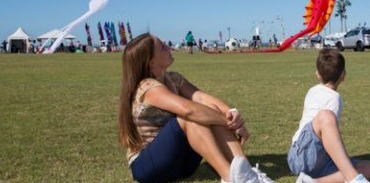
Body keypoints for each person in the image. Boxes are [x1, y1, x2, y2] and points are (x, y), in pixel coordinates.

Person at [117, 33, 274, 183]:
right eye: (163, 47)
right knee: (192, 117)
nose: (168, 47)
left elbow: (201, 97)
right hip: (148, 167)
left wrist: (232, 114)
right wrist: (228, 123)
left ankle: (247, 172)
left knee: (208, 109)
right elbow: (189, 110)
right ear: (151, 62)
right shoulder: (147, 87)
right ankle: (229, 177)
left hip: (181, 164)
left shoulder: (173, 78)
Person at [288, 49, 370, 183]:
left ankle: (312, 181)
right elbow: (328, 135)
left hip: (312, 159)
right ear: (343, 75)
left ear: (317, 75)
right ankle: (354, 179)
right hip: (305, 154)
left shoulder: (312, 91)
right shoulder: (334, 99)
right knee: (327, 117)